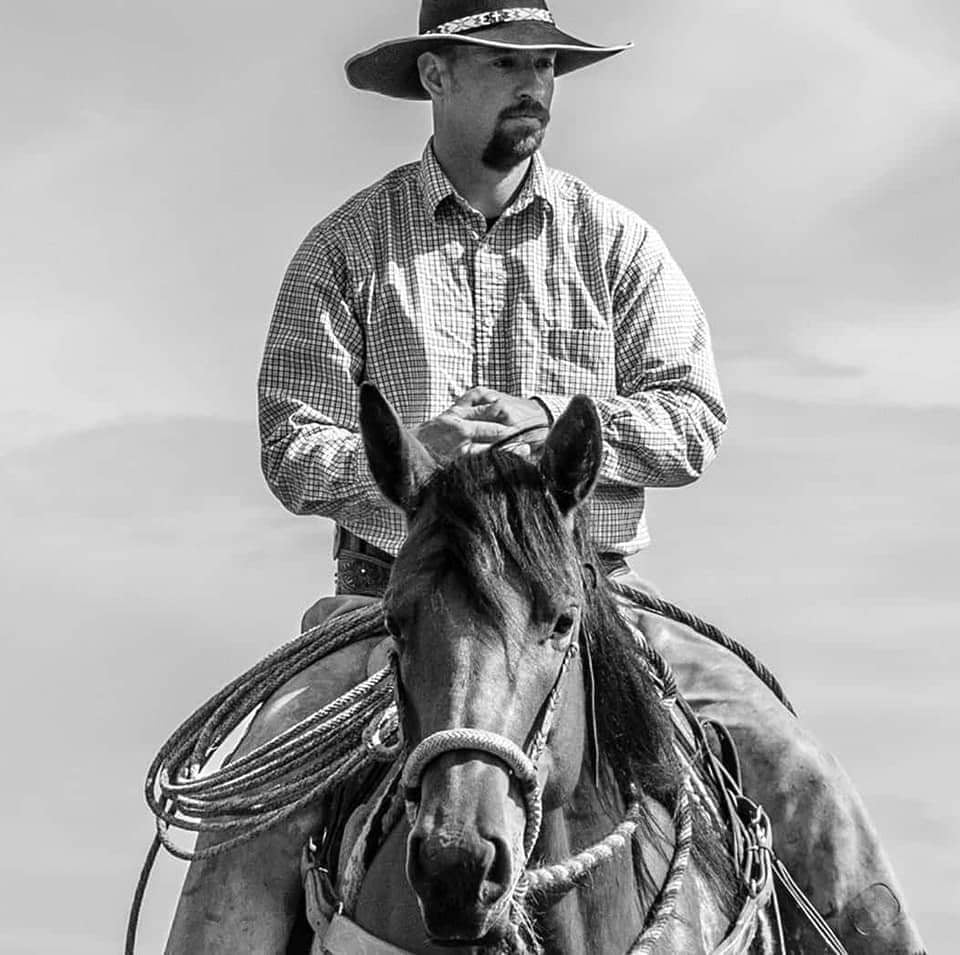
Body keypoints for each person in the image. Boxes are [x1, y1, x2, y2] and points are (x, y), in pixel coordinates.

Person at [165, 2, 925, 952]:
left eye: (546, 66)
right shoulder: (346, 250)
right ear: (435, 74)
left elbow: (694, 417)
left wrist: (556, 416)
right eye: (506, 62)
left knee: (799, 773)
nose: (535, 85)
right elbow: (290, 443)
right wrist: (414, 454)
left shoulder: (618, 245)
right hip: (393, 608)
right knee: (244, 824)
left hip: (592, 606)